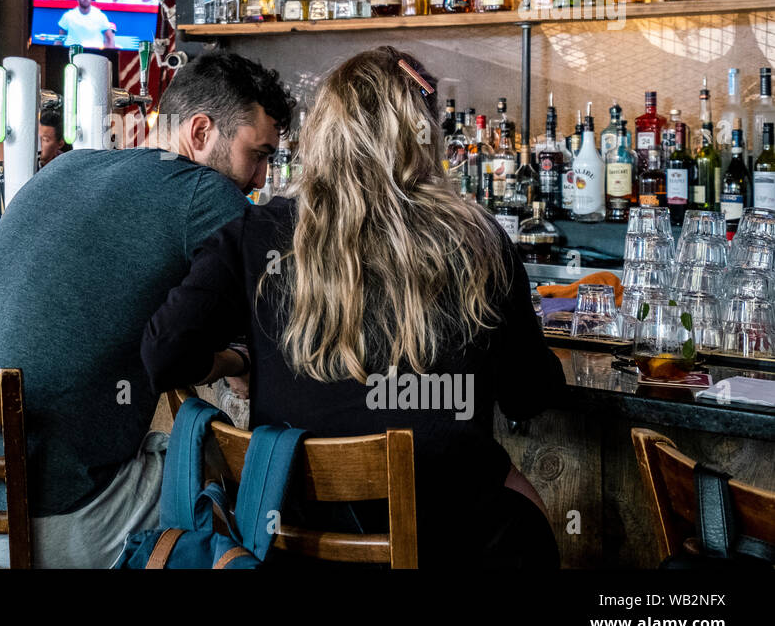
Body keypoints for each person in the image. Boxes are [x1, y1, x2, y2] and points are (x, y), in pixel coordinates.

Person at [142, 47, 566, 568]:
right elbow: (530, 397)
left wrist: (237, 361)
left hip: (291, 534)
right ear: (424, 138)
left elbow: (164, 355)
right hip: (449, 540)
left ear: (324, 132)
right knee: (528, 511)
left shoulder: (255, 234)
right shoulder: (478, 239)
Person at [0, 51, 293, 567]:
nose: (260, 179)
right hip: (43, 519)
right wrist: (239, 363)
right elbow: (284, 310)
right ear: (201, 132)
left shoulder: (67, 166)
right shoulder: (208, 194)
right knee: (229, 471)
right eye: (259, 155)